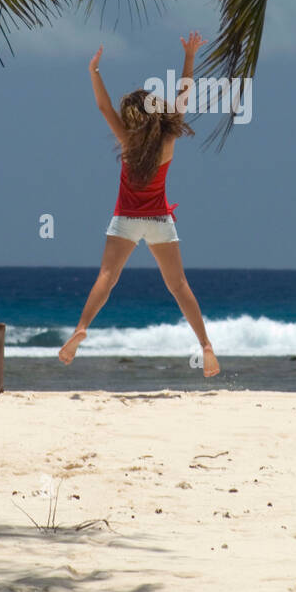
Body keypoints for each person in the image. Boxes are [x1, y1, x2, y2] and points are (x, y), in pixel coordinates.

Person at [58, 32, 220, 378]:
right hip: (160, 221)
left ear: (130, 118)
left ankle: (81, 328)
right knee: (178, 286)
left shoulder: (127, 142)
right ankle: (205, 345)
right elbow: (185, 93)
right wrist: (189, 57)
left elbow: (103, 107)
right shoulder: (168, 140)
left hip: (126, 220)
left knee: (107, 277)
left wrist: (94, 71)